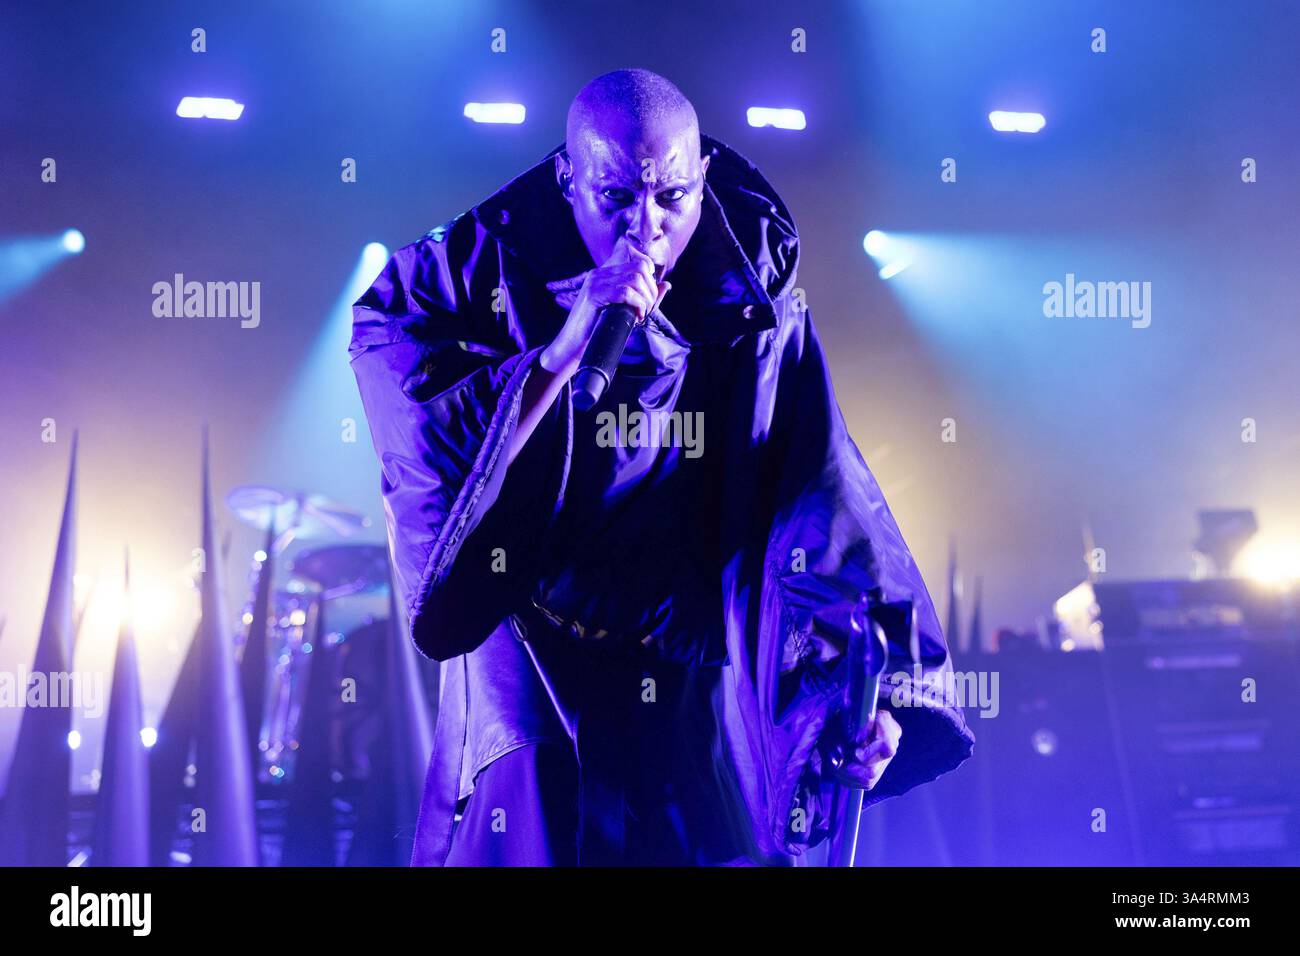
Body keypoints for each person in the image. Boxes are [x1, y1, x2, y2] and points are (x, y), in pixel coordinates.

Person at [350, 69, 974, 866]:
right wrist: (556, 357)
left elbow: (814, 496)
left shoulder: (750, 297)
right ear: (566, 178)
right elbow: (412, 399)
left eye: (672, 198)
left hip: (690, 672)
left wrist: (865, 693)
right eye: (616, 199)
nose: (645, 230)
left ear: (702, 179)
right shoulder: (473, 274)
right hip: (534, 660)